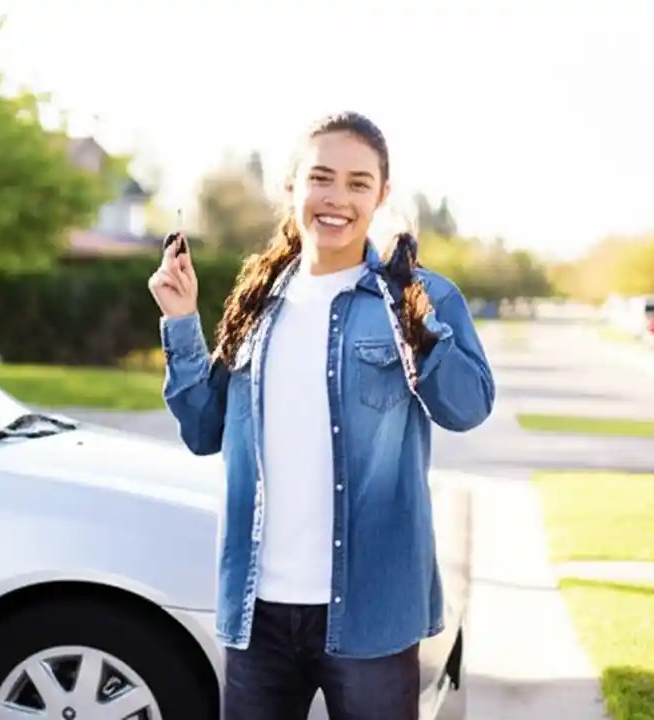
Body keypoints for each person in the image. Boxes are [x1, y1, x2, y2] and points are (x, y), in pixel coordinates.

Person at [147, 111, 495, 720]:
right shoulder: (258, 302)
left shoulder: (421, 294)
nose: (337, 198)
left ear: (382, 196)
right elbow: (205, 432)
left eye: (359, 183)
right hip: (259, 615)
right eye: (322, 178)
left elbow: (466, 408)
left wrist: (414, 317)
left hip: (372, 615)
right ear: (292, 187)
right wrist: (181, 321)